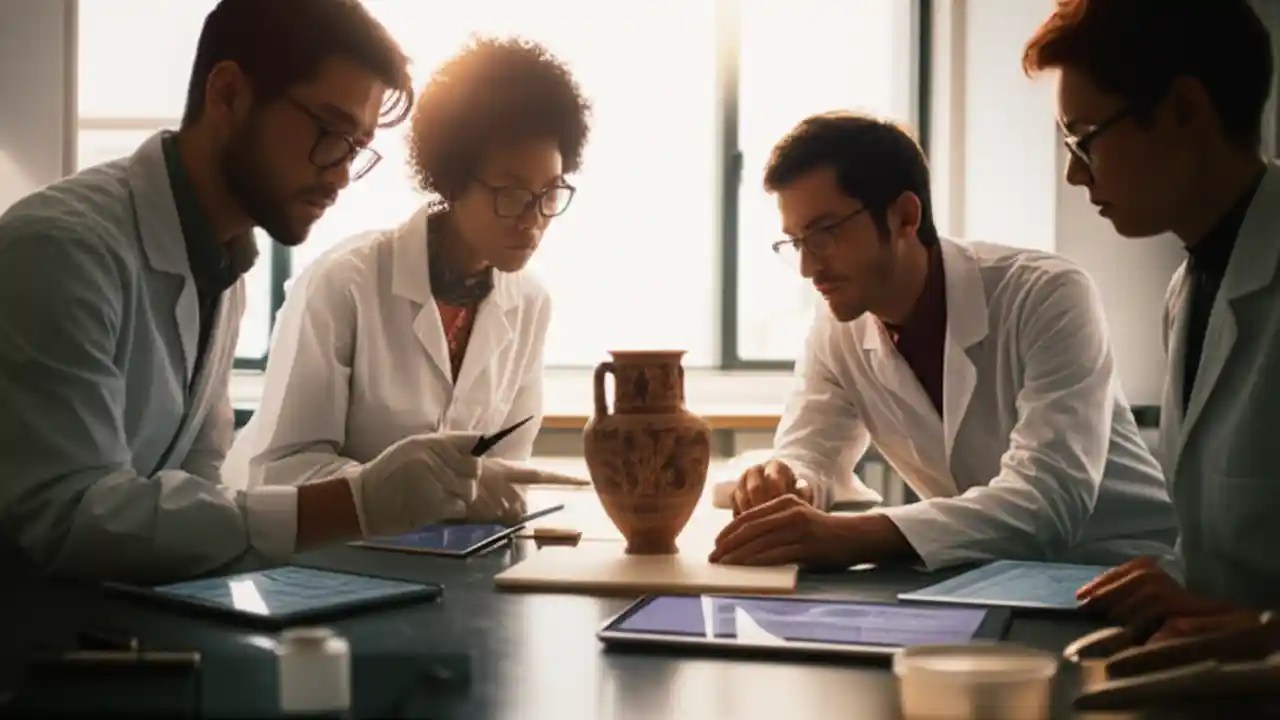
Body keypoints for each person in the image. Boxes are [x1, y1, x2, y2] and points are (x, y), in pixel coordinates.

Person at [0, 0, 479, 584]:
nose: (339, 175)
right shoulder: (62, 250)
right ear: (227, 94)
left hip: (124, 628)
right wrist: (352, 503)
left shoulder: (222, 263)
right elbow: (72, 516)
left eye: (356, 148)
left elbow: (195, 479)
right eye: (329, 132)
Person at [709, 111, 1178, 572]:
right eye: (795, 242)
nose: (809, 268)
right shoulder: (837, 323)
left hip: (1123, 572)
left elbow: (1047, 500)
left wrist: (851, 537)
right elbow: (811, 451)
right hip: (984, 576)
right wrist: (790, 482)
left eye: (824, 234)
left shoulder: (1046, 293)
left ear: (904, 217)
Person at [224, 36, 592, 518]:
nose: (533, 219)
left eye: (549, 193)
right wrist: (398, 487)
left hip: (452, 561)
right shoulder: (343, 284)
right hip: (325, 560)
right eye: (511, 193)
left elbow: (506, 475)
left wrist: (478, 493)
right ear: (453, 179)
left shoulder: (529, 302)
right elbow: (277, 471)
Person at [1023, 0, 1280, 641]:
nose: (1072, 174)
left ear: (1185, 109)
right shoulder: (1190, 289)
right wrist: (1170, 584)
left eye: (1084, 139)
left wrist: (1264, 632)